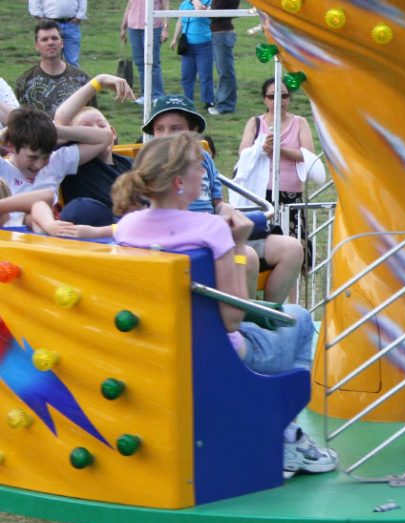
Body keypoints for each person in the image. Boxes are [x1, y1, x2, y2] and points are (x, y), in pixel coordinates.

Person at [111, 132, 336, 479]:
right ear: (179, 181)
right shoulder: (210, 229)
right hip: (215, 353)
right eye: (200, 169)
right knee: (299, 318)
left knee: (276, 325)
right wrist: (239, 245)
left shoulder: (127, 227)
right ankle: (287, 435)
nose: (206, 175)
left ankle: (269, 427)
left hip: (156, 348)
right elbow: (231, 318)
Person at [146, 96, 304, 305]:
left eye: (175, 128)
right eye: (160, 129)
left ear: (192, 131)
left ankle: (267, 318)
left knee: (292, 248)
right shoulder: (151, 165)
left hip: (215, 232)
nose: (167, 135)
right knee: (246, 256)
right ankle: (242, 326)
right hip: (182, 241)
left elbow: (216, 201)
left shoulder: (204, 158)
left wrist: (227, 211)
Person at [0, 99, 112, 226]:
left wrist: (53, 130)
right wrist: (4, 135)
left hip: (45, 236)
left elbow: (105, 138)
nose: (39, 165)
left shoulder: (56, 162)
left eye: (45, 157)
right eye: (33, 157)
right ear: (11, 146)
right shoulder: (3, 168)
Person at [51, 73, 136, 228]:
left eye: (101, 125)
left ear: (113, 132)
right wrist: (99, 81)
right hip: (95, 235)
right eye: (86, 128)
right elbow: (61, 119)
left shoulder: (130, 164)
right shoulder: (74, 162)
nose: (97, 131)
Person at [238, 78, 315, 243]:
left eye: (284, 96)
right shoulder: (255, 122)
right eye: (272, 96)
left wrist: (279, 150)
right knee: (263, 243)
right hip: (261, 193)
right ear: (264, 99)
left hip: (291, 194)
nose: (278, 101)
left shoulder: (300, 122)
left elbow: (308, 155)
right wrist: (262, 148)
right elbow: (243, 153)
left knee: (296, 242)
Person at [120, 0, 169, 104]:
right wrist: (123, 27)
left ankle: (157, 95)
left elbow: (166, 8)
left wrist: (166, 29)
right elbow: (129, 6)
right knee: (140, 62)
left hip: (153, 28)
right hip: (134, 27)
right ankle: (145, 94)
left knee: (153, 62)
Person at [13, 21, 91, 114]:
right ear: (37, 46)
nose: (50, 43)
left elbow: (92, 116)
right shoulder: (24, 82)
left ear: (62, 43)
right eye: (44, 39)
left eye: (54, 38)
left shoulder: (82, 79)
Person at [171, 0, 215, 108]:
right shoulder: (184, 4)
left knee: (205, 74)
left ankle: (208, 100)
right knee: (187, 74)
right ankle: (188, 100)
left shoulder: (208, 2)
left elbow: (199, 11)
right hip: (188, 44)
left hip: (204, 44)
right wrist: (175, 38)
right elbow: (180, 21)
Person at [209, 0, 241, 115]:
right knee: (223, 70)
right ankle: (222, 102)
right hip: (219, 33)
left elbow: (215, 14)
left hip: (223, 33)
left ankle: (226, 105)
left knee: (225, 71)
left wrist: (207, 9)